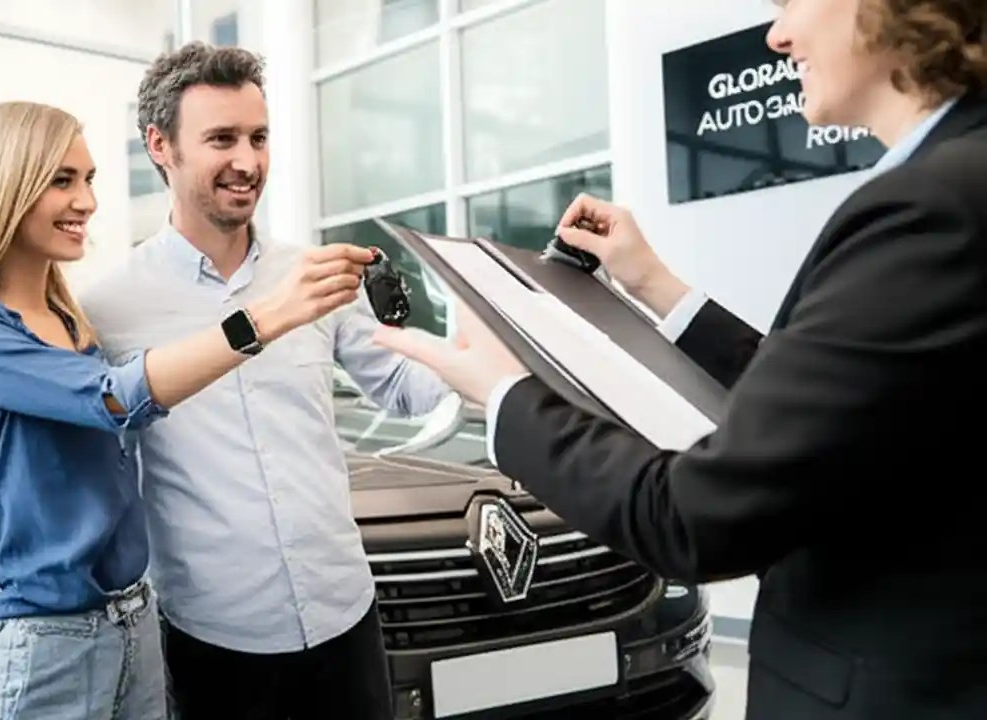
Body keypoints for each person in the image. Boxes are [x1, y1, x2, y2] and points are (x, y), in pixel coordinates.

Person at [374, 1, 987, 718]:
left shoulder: (932, 207)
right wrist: (658, 288)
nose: (777, 34)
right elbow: (831, 413)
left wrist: (506, 391)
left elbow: (696, 517)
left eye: (792, 2)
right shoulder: (955, 186)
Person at [0, 44, 451, 719]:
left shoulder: (312, 275)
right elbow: (46, 440)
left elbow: (403, 385)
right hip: (209, 645)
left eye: (259, 137)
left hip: (346, 620)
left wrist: (496, 353)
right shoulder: (105, 308)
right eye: (222, 139)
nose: (247, 162)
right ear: (161, 145)